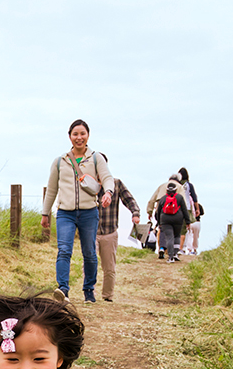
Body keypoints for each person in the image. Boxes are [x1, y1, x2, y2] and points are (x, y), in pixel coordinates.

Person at [41, 120, 113, 303]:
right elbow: (52, 189)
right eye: (75, 134)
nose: (79, 137)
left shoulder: (96, 158)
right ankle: (63, 290)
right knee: (64, 250)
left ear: (88, 135)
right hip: (65, 213)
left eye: (82, 134)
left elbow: (107, 178)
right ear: (69, 137)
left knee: (89, 252)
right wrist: (45, 213)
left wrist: (108, 192)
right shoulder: (60, 161)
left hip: (89, 212)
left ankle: (89, 290)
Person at [92, 154, 141, 304]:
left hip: (109, 232)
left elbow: (129, 200)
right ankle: (89, 293)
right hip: (91, 232)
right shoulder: (87, 184)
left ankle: (108, 295)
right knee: (89, 263)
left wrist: (135, 213)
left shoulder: (116, 184)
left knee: (109, 267)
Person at [146, 175, 191, 263]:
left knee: (163, 231)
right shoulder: (180, 188)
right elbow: (184, 205)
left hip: (163, 215)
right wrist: (187, 220)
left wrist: (150, 211)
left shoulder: (162, 187)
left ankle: (162, 248)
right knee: (176, 235)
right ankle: (175, 253)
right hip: (177, 216)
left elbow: (152, 200)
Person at [177, 167, 202, 255]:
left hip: (177, 208)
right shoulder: (189, 185)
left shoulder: (177, 184)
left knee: (177, 228)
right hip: (187, 208)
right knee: (186, 229)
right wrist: (197, 209)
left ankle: (177, 247)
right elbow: (195, 198)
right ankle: (183, 248)